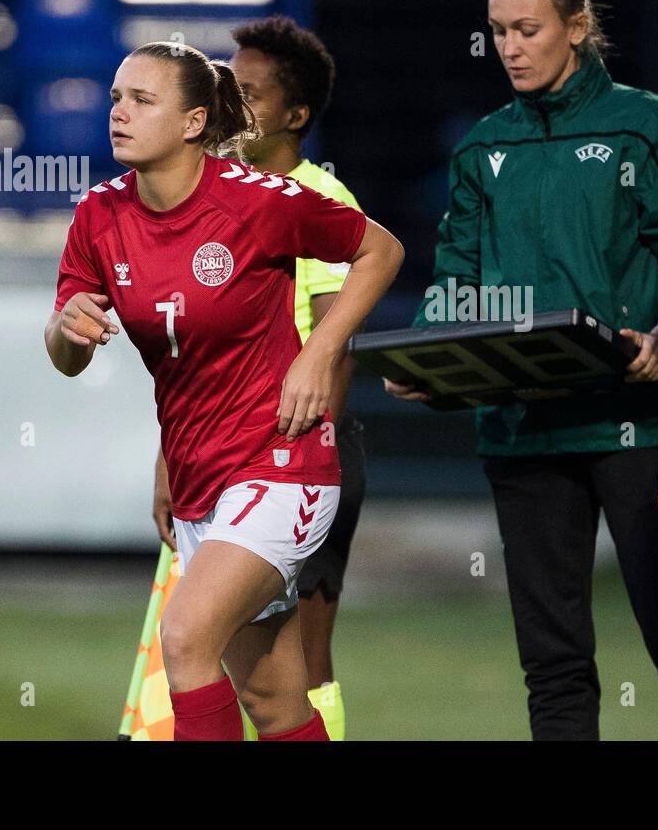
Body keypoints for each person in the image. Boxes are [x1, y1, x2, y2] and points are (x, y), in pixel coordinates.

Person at [387, 0, 658, 741]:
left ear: (577, 28)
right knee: (552, 662)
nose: (509, 47)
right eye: (498, 31)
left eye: (527, 29)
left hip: (638, 424)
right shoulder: (483, 149)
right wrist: (433, 359)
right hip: (524, 431)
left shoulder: (647, 124)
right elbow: (456, 282)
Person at [46, 41, 403, 740]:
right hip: (199, 481)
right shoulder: (98, 216)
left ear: (192, 121)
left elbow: (380, 250)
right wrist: (66, 329)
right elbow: (67, 360)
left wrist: (318, 355)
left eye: (142, 101)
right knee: (274, 702)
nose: (119, 113)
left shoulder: (256, 202)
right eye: (117, 97)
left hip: (283, 465)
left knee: (183, 637)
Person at [150, 16, 367, 739]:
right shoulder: (209, 193)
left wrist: (303, 447)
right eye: (226, 90)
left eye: (250, 93)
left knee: (281, 651)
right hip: (213, 456)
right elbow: (195, 356)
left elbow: (334, 348)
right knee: (266, 682)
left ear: (295, 114)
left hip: (291, 454)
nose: (232, 108)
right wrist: (169, 462)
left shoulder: (318, 196)